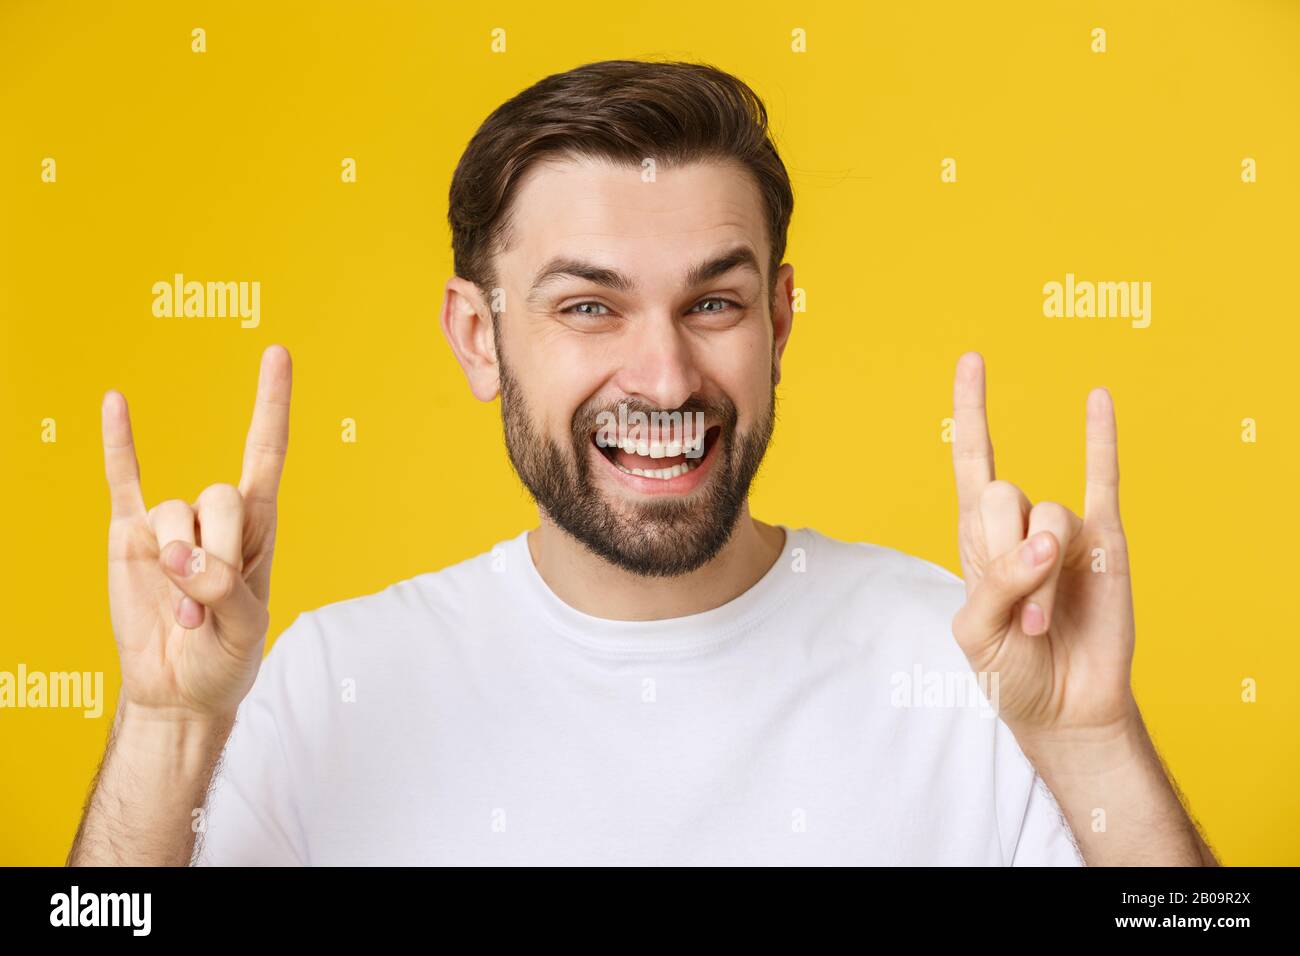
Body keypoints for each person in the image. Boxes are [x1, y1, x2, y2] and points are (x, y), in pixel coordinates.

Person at [69, 59, 1216, 866]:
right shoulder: (328, 681)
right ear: (479, 335)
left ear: (777, 319)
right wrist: (167, 733)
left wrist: (1091, 747)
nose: (664, 378)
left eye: (712, 302)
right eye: (589, 306)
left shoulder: (969, 670)